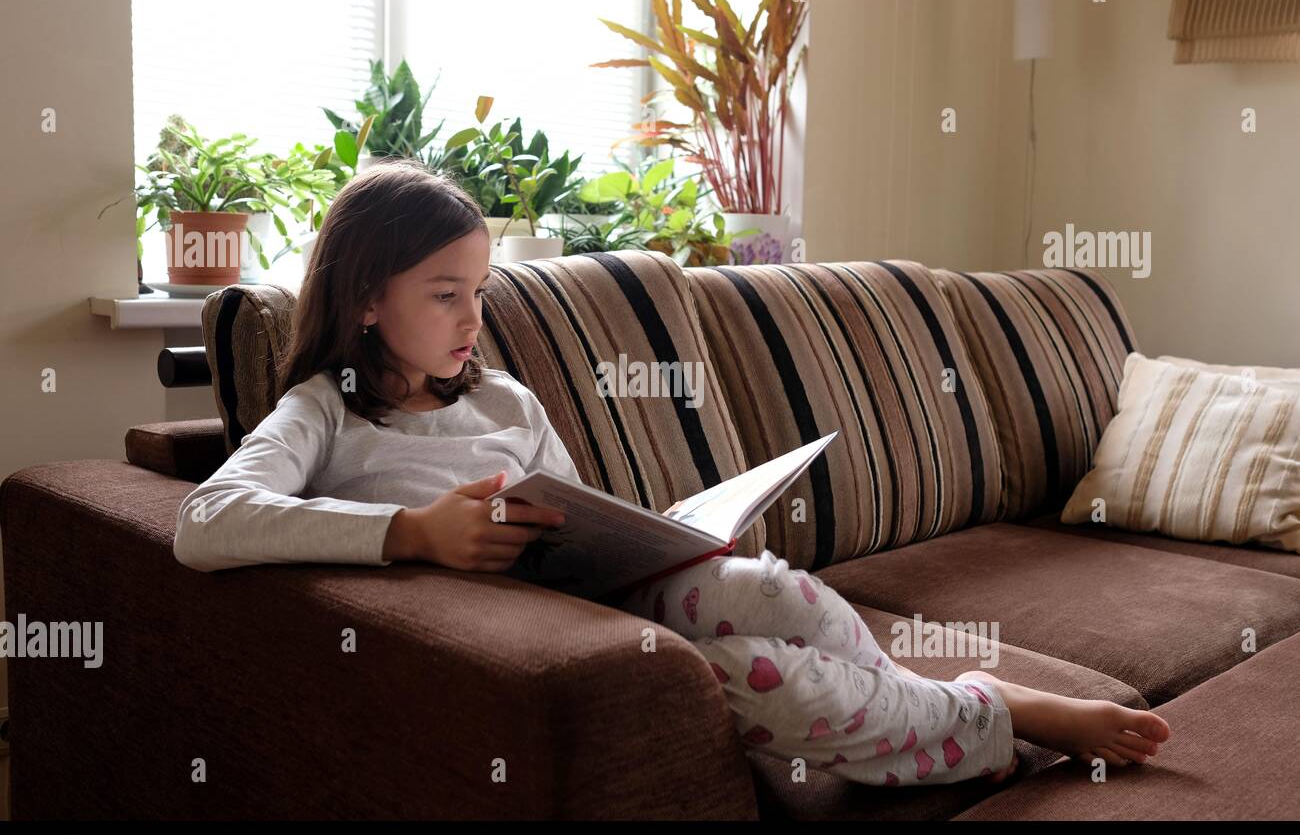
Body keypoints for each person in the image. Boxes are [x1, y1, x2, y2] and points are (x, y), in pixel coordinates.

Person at [174, 159, 1171, 788]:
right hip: (529, 642)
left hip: (601, 596)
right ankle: (994, 715)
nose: (472, 319)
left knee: (771, 587)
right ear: (361, 300)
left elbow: (574, 513)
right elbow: (207, 520)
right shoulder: (325, 411)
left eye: (478, 291)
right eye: (443, 295)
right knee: (754, 678)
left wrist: (662, 533)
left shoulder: (505, 403)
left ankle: (924, 699)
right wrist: (411, 533)